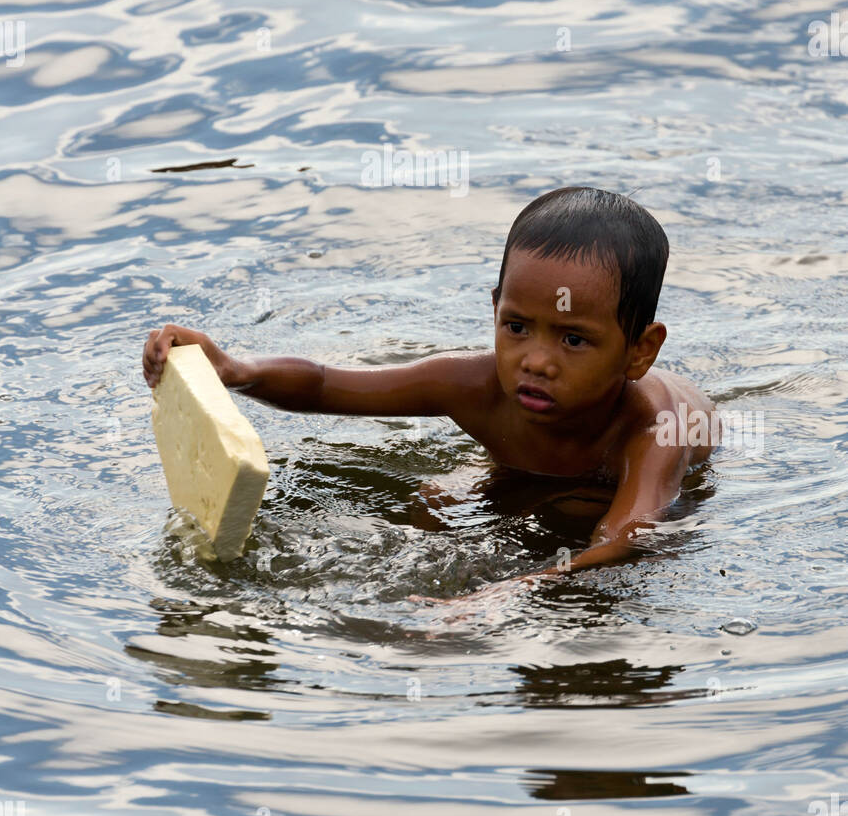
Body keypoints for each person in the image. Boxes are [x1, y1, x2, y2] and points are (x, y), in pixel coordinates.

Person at [142, 186, 717, 604]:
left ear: (640, 350)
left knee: (586, 556)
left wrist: (505, 597)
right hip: (527, 461)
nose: (536, 361)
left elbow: (626, 539)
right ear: (495, 309)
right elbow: (325, 383)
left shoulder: (653, 430)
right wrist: (234, 368)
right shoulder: (474, 384)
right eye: (517, 326)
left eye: (573, 339)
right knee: (431, 506)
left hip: (620, 482)